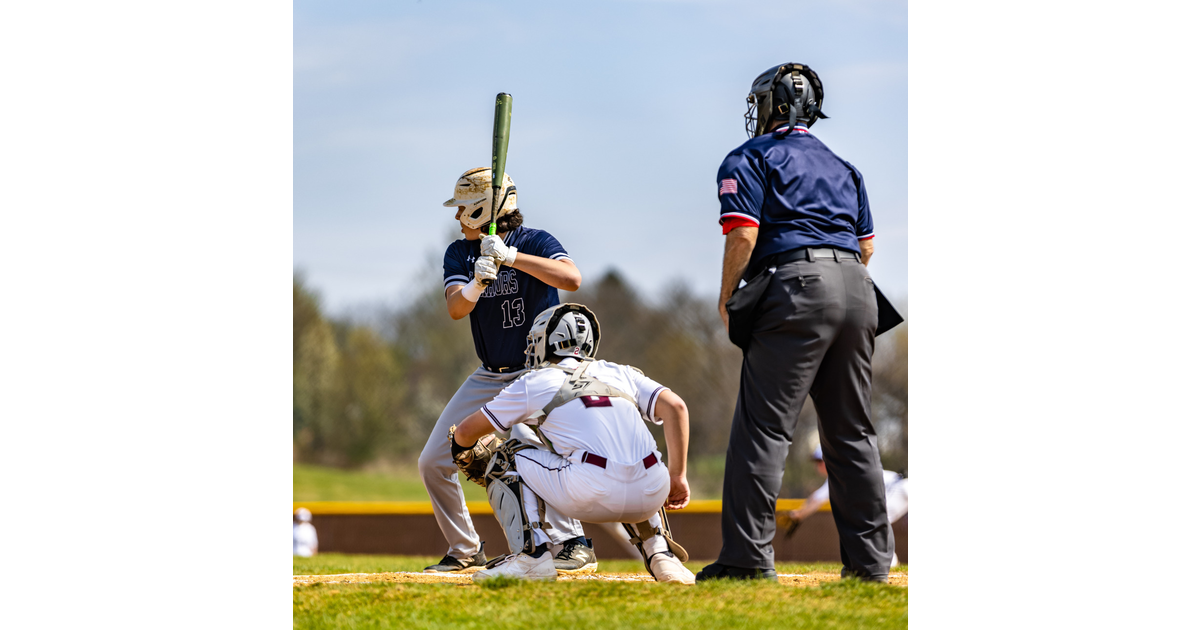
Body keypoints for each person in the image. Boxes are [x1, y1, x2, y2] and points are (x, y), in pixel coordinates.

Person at [698, 62, 893, 582]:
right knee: (853, 435)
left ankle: (746, 561)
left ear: (772, 105)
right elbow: (867, 245)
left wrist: (727, 297)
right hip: (858, 289)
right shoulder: (846, 167)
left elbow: (742, 234)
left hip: (794, 286)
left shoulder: (749, 157)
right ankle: (871, 567)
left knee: (763, 431)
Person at [418, 167, 592, 574]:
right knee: (433, 461)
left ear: (482, 210)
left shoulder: (535, 241)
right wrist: (477, 283)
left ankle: (572, 543)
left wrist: (511, 258)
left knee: (532, 450)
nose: (457, 217)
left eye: (463, 209)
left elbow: (573, 278)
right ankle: (465, 549)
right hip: (489, 373)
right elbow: (456, 309)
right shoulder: (459, 253)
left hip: (538, 372)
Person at [448, 303, 695, 584]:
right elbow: (676, 407)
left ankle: (532, 557)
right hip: (652, 493)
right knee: (633, 454)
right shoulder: (621, 372)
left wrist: (460, 448)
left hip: (588, 493)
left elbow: (467, 431)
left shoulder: (536, 380)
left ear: (547, 343)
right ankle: (662, 555)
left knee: (506, 456)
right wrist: (677, 476)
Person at [786, 446, 908, 567]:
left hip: (900, 488)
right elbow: (815, 497)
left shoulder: (840, 474)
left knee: (875, 523)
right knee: (873, 522)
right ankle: (889, 560)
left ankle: (889, 560)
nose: (817, 466)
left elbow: (816, 501)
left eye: (820, 461)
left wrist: (797, 515)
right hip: (901, 487)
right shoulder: (843, 472)